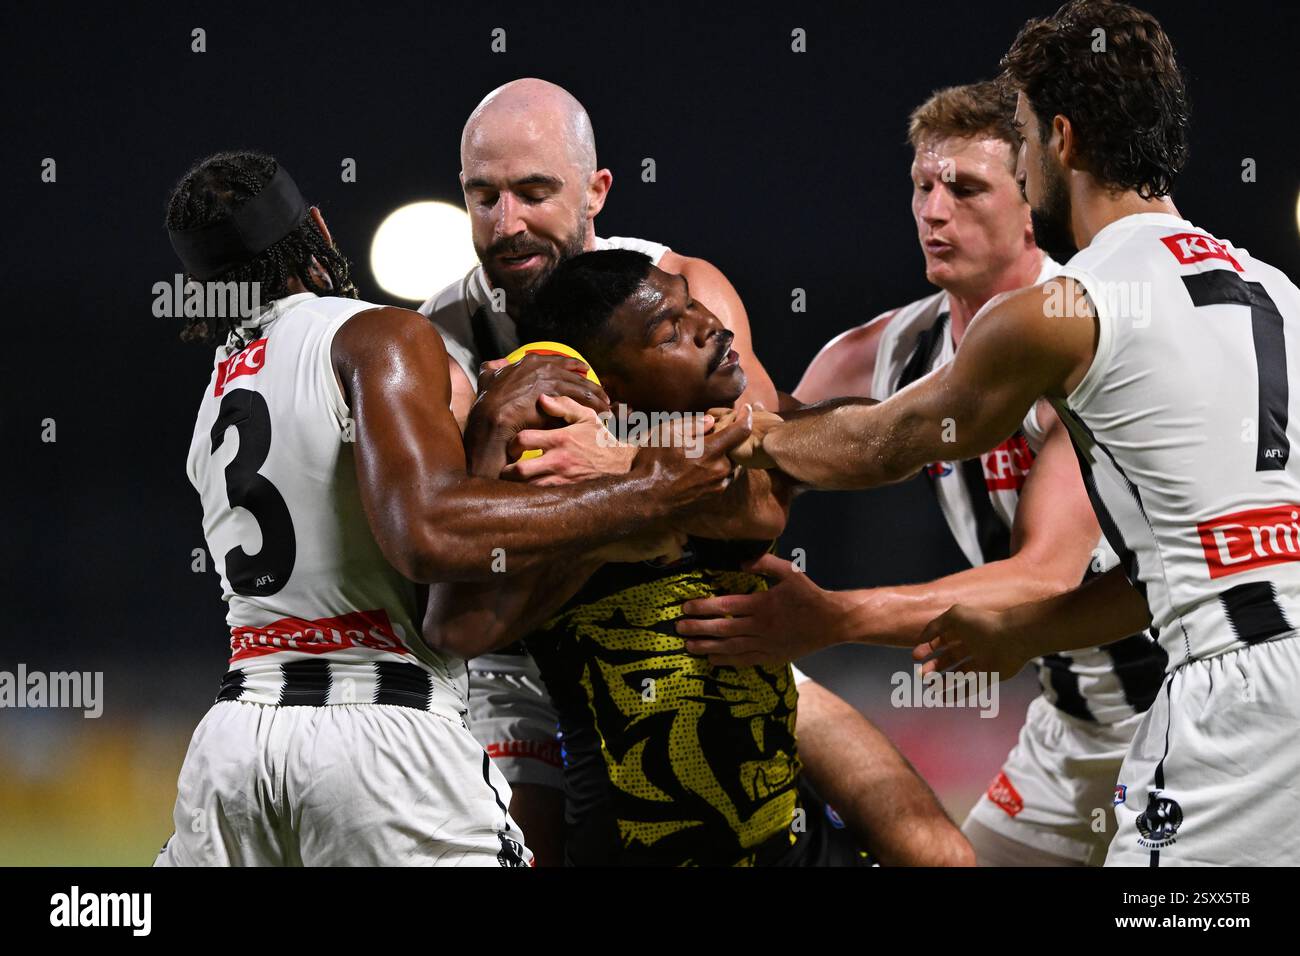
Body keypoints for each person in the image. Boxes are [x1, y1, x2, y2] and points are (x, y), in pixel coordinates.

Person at [716, 0, 1300, 866]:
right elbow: (1192, 566)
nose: (1021, 166)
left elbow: (885, 445)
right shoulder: (1276, 290)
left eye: (1018, 140)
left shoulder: (1069, 308)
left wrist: (736, 443)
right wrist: (1027, 634)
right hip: (1163, 691)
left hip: (1224, 697)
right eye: (924, 185)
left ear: (1059, 139)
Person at [422, 77, 959, 865]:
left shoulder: (675, 290)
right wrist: (650, 501)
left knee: (936, 852)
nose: (508, 223)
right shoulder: (434, 341)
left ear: (597, 190)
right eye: (484, 196)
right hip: (521, 666)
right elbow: (457, 576)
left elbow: (763, 498)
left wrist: (615, 475)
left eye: (535, 192)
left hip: (702, 625)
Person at [156, 151, 746, 866]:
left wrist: (492, 427)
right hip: (377, 731)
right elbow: (427, 534)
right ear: (316, 229)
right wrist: (647, 490)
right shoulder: (377, 333)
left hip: (234, 746)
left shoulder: (213, 392)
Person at [677, 80, 1165, 866]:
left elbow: (1043, 580)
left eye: (965, 188)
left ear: (1031, 195)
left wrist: (832, 617)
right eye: (922, 187)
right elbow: (751, 475)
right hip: (1068, 721)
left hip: (1175, 702)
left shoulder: (1081, 330)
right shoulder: (880, 352)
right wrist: (620, 453)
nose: (935, 212)